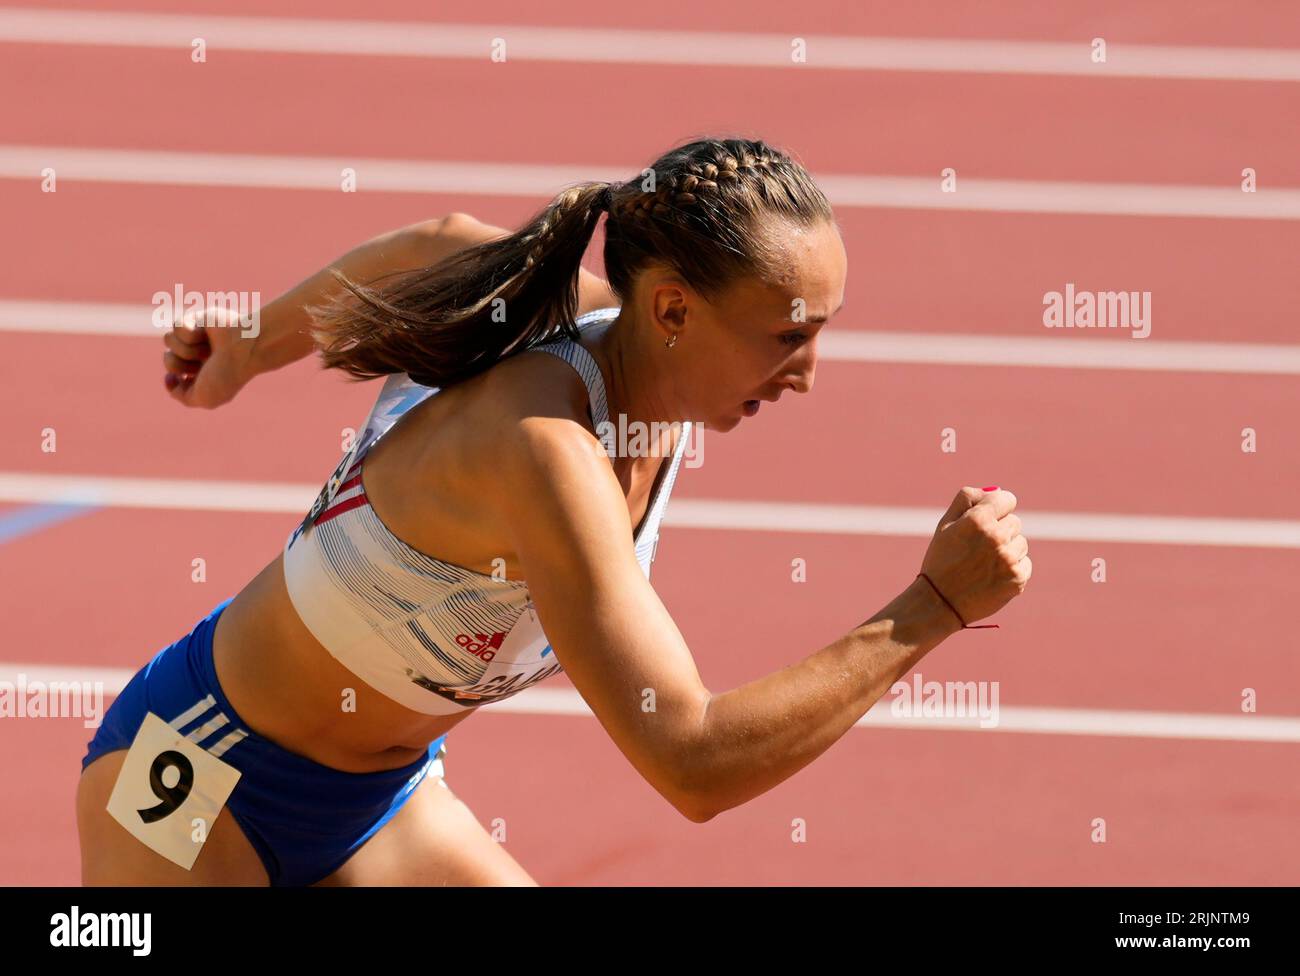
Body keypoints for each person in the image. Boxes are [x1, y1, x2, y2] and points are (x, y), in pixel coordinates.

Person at [76, 137, 1031, 886]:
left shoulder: (599, 344)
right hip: (202, 775)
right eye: (789, 335)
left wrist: (249, 346)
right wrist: (931, 609)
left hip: (380, 802)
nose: (810, 374)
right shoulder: (546, 453)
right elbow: (692, 762)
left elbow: (437, 241)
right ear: (671, 311)